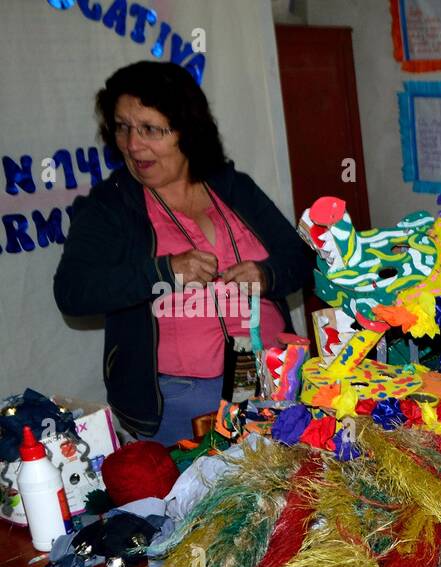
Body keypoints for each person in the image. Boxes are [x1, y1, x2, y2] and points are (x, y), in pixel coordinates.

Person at [54, 61, 313, 445]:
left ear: (186, 132)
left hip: (276, 379)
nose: (132, 143)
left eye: (150, 130)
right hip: (179, 400)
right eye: (123, 127)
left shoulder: (233, 186)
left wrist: (267, 274)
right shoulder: (111, 206)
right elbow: (73, 292)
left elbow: (300, 258)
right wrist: (163, 272)